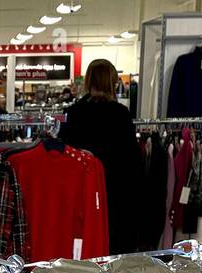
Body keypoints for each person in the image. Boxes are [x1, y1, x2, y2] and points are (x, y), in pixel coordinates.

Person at [58, 58, 143, 255]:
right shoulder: (121, 115)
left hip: (82, 194)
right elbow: (132, 164)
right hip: (116, 196)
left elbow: (65, 156)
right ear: (112, 81)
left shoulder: (74, 113)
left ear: (88, 80)